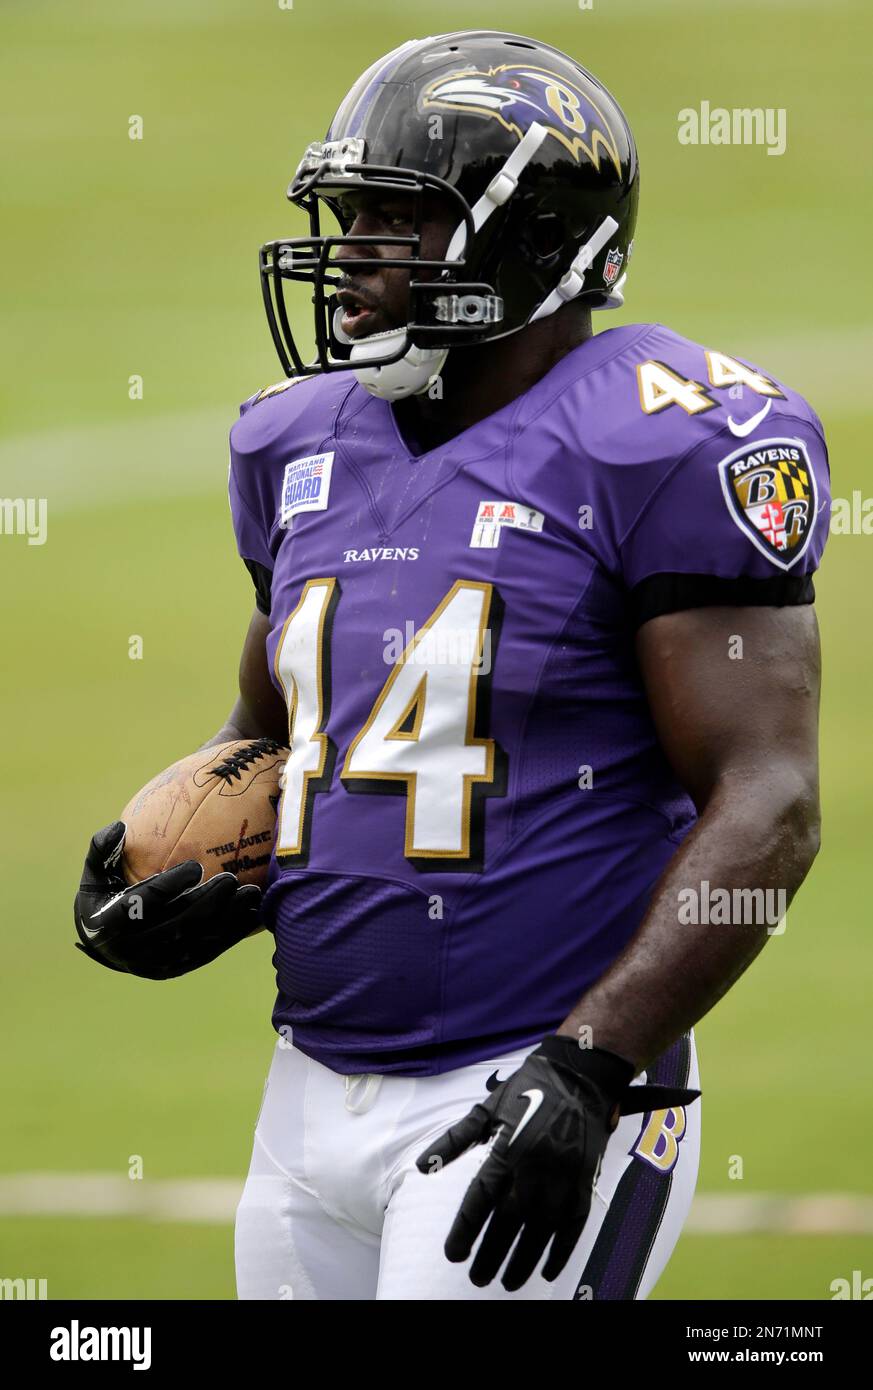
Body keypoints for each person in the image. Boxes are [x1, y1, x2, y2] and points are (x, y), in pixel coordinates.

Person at [75, 29, 829, 1301]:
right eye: (345, 216)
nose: (349, 255)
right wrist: (193, 860)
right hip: (308, 1086)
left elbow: (771, 802)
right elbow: (284, 728)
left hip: (531, 1083)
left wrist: (595, 1064)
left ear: (528, 241)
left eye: (392, 221)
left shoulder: (662, 441)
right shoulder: (296, 441)